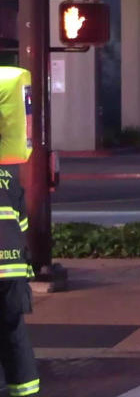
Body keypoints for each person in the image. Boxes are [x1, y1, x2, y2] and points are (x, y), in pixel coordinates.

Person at [0, 165, 40, 396]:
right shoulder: (9, 176)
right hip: (13, 267)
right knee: (14, 330)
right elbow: (22, 223)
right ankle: (25, 390)